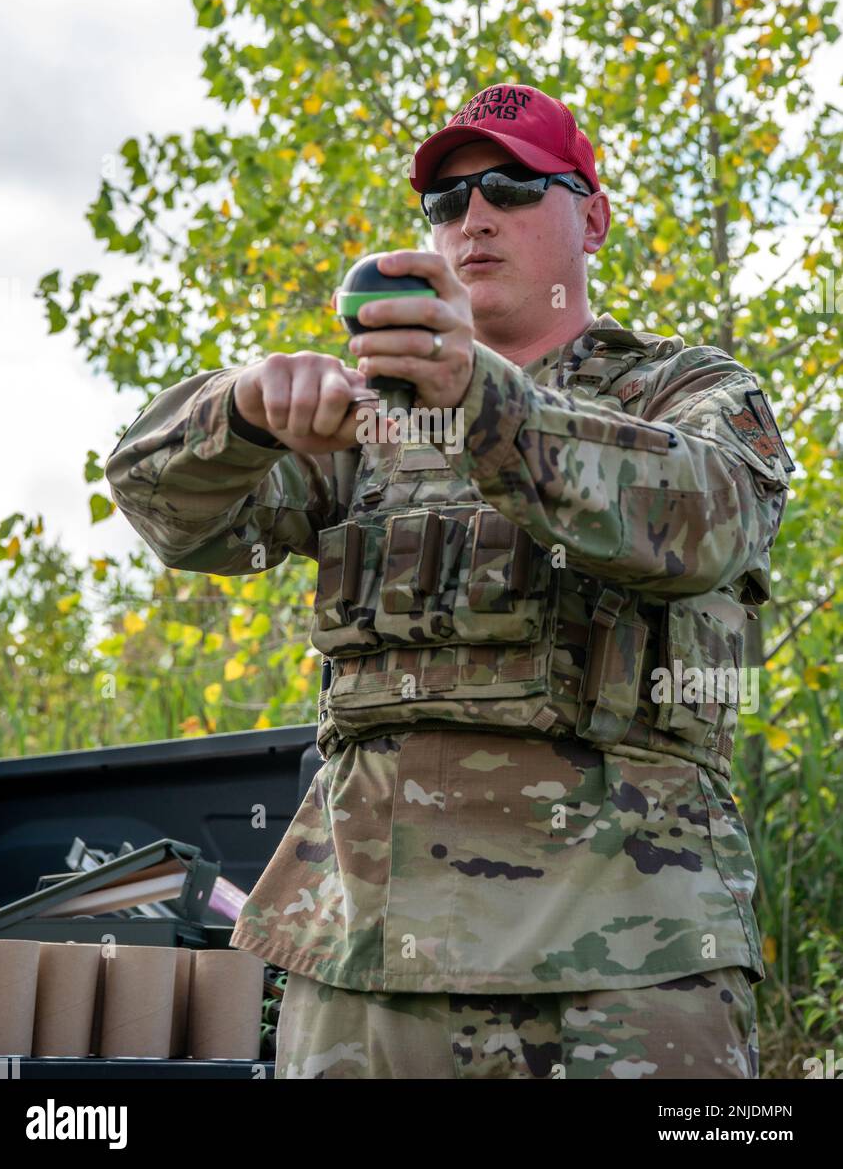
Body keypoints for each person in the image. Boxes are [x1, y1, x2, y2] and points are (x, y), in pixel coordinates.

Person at [105, 84, 793, 1080]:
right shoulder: (368, 422)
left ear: (592, 217)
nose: (473, 218)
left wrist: (480, 401)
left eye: (513, 187)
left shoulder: (690, 394)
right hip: (366, 964)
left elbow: (701, 517)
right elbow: (171, 515)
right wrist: (241, 412)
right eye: (447, 199)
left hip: (626, 959)